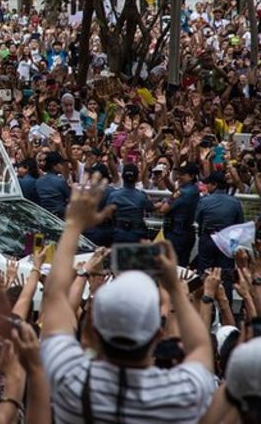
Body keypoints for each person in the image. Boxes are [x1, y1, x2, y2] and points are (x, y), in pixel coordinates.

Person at [40, 180, 215, 423]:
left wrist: (73, 225)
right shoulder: (181, 393)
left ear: (92, 328)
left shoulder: (68, 376)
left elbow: (53, 298)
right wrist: (174, 287)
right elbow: (201, 348)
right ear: (158, 334)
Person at [195, 170, 245, 294]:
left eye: (209, 184)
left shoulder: (205, 201)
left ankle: (205, 305)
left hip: (209, 238)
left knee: (205, 273)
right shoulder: (235, 202)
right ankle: (226, 305)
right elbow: (239, 224)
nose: (207, 186)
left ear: (215, 184)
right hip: (227, 241)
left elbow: (197, 219)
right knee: (226, 275)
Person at [155, 161, 200, 265]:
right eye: (179, 173)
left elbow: (163, 210)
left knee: (173, 266)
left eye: (182, 174)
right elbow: (174, 190)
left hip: (177, 234)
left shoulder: (183, 192)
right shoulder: (192, 189)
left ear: (192, 176)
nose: (179, 177)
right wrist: (166, 179)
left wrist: (157, 205)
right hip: (184, 232)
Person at [106, 163, 153, 243]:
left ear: (122, 176)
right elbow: (151, 208)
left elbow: (108, 215)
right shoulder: (142, 196)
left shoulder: (113, 195)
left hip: (119, 234)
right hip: (137, 235)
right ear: (137, 178)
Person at [36, 151, 70, 218]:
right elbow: (69, 197)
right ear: (55, 166)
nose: (62, 166)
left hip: (43, 215)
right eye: (61, 164)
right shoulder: (60, 181)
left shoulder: (38, 181)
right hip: (59, 217)